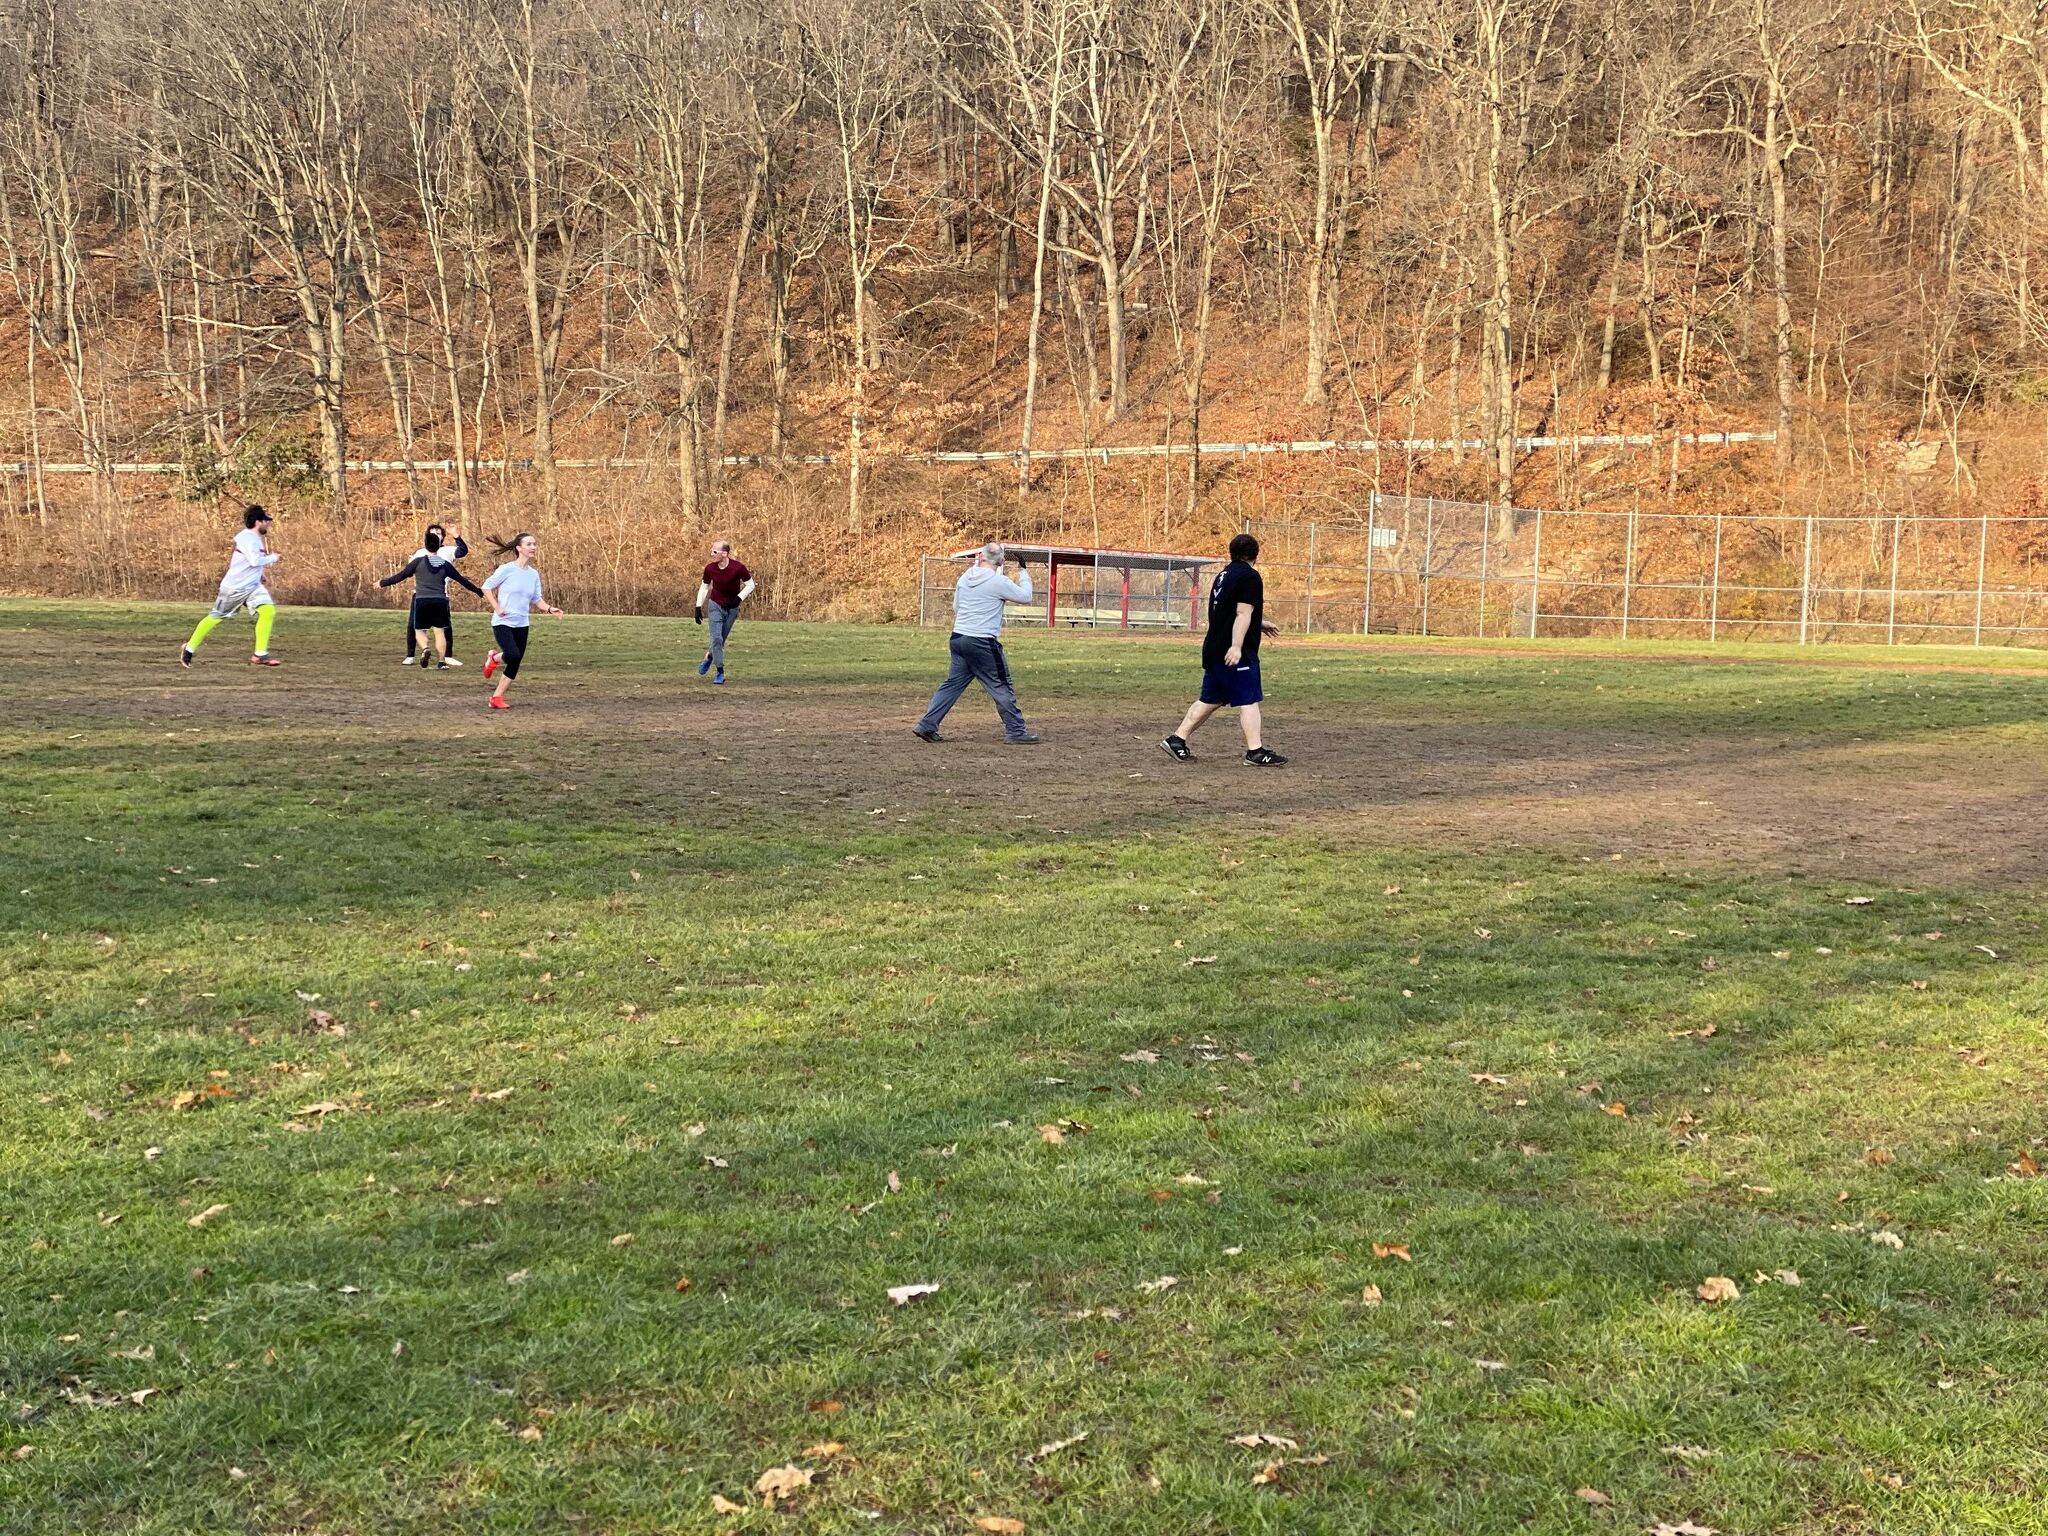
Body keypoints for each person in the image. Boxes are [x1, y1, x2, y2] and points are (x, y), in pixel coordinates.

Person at [1161, 532, 1286, 766]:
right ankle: (1255, 752)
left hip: (1214, 647)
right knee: (1249, 699)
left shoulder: (1223, 575)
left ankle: (1177, 739)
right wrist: (1237, 647)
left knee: (1212, 698)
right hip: (1233, 651)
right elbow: (1242, 613)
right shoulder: (1250, 577)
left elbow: (1227, 613)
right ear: (1255, 555)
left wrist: (1258, 624)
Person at [912, 542, 1040, 745]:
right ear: (1002, 562)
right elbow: (1026, 597)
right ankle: (1016, 730)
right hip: (982, 642)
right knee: (1000, 685)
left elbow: (956, 607)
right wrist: (1023, 572)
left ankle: (928, 724)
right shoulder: (998, 581)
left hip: (958, 638)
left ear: (980, 557)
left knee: (952, 684)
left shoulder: (965, 577)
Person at [181, 505, 282, 668]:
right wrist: (273, 558)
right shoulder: (248, 538)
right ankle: (189, 649)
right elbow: (255, 560)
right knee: (215, 618)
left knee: (268, 611)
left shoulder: (254, 538)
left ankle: (260, 654)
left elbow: (249, 562)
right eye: (265, 521)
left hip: (252, 587)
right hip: (234, 588)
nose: (268, 524)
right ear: (257, 522)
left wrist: (260, 575)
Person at [380, 525, 485, 670]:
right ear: (437, 544)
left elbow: (401, 576)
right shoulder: (445, 564)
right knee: (440, 630)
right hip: (440, 600)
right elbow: (463, 580)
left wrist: (382, 583)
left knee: (419, 630)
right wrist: (478, 591)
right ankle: (441, 661)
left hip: (422, 599)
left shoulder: (419, 560)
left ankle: (425, 648)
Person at [480, 532, 564, 710]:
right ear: (519, 548)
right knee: (513, 655)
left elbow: (536, 599)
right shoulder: (506, 569)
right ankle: (494, 658)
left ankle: (496, 697)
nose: (533, 547)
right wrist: (497, 607)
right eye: (529, 544)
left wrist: (550, 608)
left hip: (522, 623)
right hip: (502, 622)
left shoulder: (533, 574)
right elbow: (486, 587)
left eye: (534, 544)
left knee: (516, 661)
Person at [399, 523, 470, 666]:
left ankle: (447, 656)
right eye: (433, 533)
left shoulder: (448, 550)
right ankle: (410, 655)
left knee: (445, 626)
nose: (436, 535)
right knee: (413, 625)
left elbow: (463, 551)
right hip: (419, 594)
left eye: (439, 533)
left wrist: (456, 535)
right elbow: (409, 571)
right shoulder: (420, 553)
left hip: (441, 595)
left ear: (443, 537)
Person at [694, 538, 756, 684]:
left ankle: (709, 656)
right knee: (716, 638)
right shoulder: (710, 569)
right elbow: (704, 587)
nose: (711, 554)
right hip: (715, 605)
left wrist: (739, 598)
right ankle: (720, 672)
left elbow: (750, 585)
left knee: (721, 639)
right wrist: (698, 606)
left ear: (724, 554)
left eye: (714, 551)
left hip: (732, 608)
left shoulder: (738, 568)